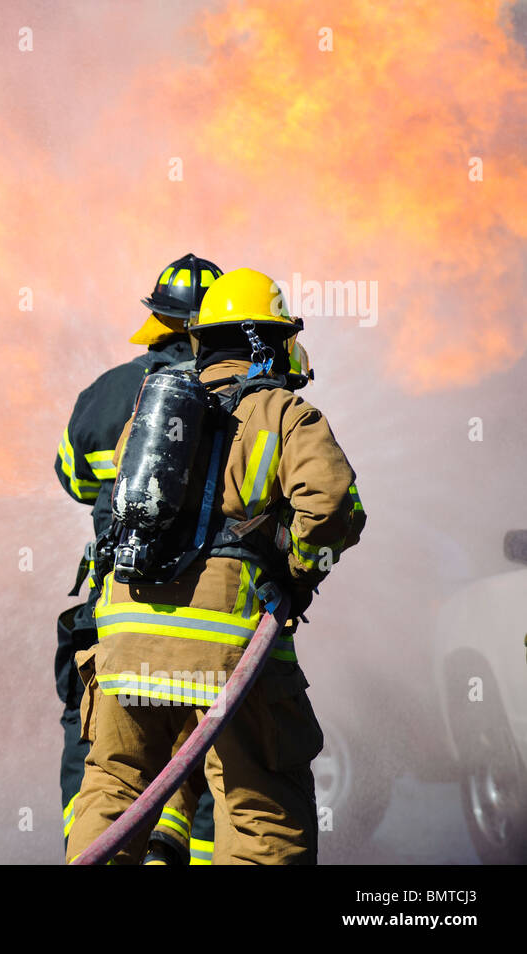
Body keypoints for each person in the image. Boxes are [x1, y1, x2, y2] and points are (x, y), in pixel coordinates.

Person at [64, 266, 366, 865]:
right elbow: (334, 508)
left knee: (116, 785)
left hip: (125, 639)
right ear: (268, 341)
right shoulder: (283, 412)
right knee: (260, 803)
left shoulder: (152, 413)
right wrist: (296, 570)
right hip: (227, 643)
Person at [55, 253, 222, 863]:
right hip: (214, 624)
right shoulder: (235, 392)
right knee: (209, 763)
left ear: (156, 318)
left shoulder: (104, 395)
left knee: (103, 759)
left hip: (119, 615)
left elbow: (73, 478)